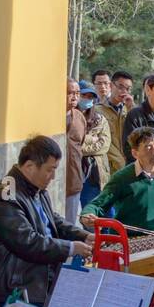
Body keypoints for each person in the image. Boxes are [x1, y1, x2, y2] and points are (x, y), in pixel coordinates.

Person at [0, 134, 95, 307]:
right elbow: (28, 242)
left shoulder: (35, 189)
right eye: (50, 170)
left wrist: (82, 235)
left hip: (40, 278)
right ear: (30, 166)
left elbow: (53, 220)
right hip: (16, 288)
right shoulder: (5, 197)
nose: (53, 176)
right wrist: (71, 248)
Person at [83, 126, 154, 232]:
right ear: (135, 153)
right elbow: (98, 204)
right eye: (148, 147)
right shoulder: (122, 177)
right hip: (126, 239)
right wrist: (88, 214)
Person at [79, 91, 112, 208]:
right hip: (81, 173)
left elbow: (104, 145)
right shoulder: (71, 118)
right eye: (84, 96)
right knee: (88, 210)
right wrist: (90, 139)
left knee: (107, 211)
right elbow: (72, 143)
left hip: (99, 172)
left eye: (90, 97)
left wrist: (82, 147)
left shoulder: (100, 120)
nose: (87, 100)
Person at [99, 71, 135, 173]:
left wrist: (131, 109)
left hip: (128, 165)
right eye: (120, 87)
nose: (123, 91)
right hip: (107, 166)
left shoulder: (130, 109)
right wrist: (118, 160)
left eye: (127, 89)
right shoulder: (98, 110)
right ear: (111, 85)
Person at [64, 78, 88, 223]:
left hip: (73, 178)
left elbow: (81, 143)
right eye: (70, 93)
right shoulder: (49, 118)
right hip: (51, 181)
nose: (74, 97)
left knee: (69, 224)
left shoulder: (79, 117)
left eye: (77, 93)